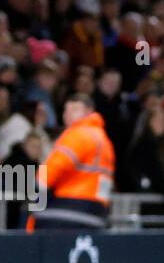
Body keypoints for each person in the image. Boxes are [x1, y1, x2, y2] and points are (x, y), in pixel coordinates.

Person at [27, 93, 115, 231]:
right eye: (65, 110)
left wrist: (35, 189)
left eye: (74, 110)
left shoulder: (76, 135)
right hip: (96, 211)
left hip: (68, 209)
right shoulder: (104, 141)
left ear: (89, 112)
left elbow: (51, 171)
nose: (67, 114)